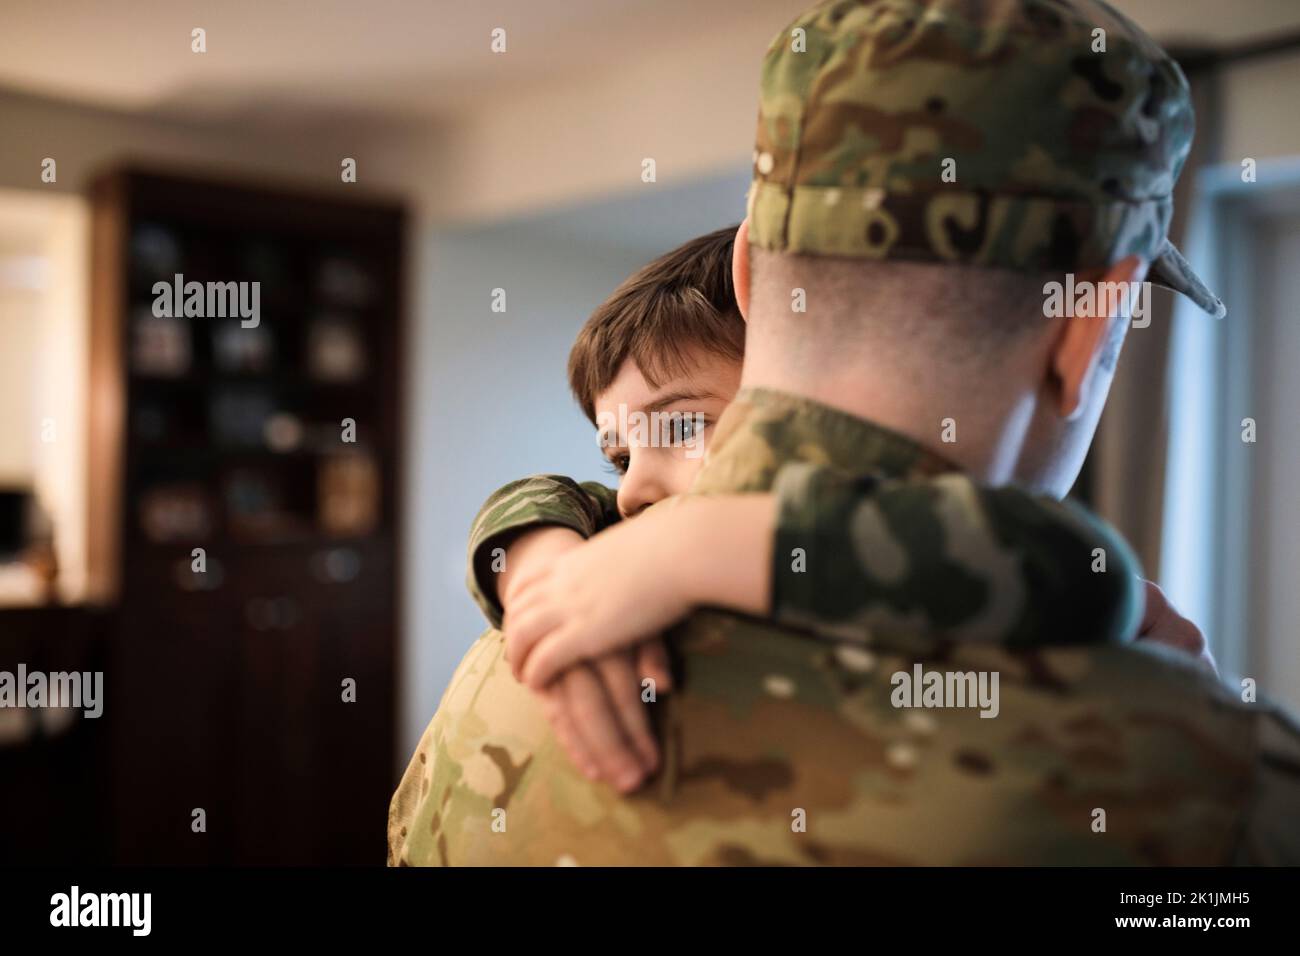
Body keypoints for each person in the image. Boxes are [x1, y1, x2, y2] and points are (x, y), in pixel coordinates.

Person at [390, 0, 1300, 866]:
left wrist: (545, 562)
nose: (634, 489)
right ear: (1091, 325)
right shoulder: (1207, 784)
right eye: (624, 454)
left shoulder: (510, 674)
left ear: (748, 274)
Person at [457, 224, 1208, 795]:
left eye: (684, 426)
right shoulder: (623, 569)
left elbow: (1051, 565)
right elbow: (549, 499)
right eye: (619, 455)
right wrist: (538, 568)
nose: (630, 488)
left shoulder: (907, 547)